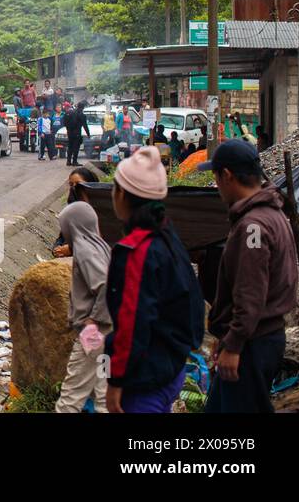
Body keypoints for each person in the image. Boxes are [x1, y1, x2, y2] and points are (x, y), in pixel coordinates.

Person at [201, 140, 299, 413]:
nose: (217, 185)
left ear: (227, 176)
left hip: (253, 344)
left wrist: (234, 345)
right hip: (256, 339)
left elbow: (250, 294)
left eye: (216, 176)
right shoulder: (272, 213)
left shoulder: (252, 226)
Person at [104, 146, 205, 413]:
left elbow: (132, 323)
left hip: (145, 378)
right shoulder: (168, 237)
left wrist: (115, 381)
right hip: (171, 367)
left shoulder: (136, 251)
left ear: (123, 195)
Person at [55, 202, 113, 413]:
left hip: (93, 338)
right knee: (103, 390)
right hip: (108, 334)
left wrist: (93, 320)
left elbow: (105, 284)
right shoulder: (101, 246)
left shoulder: (85, 251)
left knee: (71, 393)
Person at [54, 165, 99, 255]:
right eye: (71, 185)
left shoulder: (99, 210)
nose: (74, 188)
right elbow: (62, 237)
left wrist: (71, 250)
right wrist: (57, 248)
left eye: (79, 185)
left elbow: (99, 243)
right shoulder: (71, 211)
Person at [63, 100, 88, 165]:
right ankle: (74, 161)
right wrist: (88, 134)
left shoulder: (69, 112)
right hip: (77, 133)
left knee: (70, 146)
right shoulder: (82, 115)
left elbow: (65, 123)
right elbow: (85, 125)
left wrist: (68, 129)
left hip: (70, 132)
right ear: (83, 108)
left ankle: (68, 161)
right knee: (76, 147)